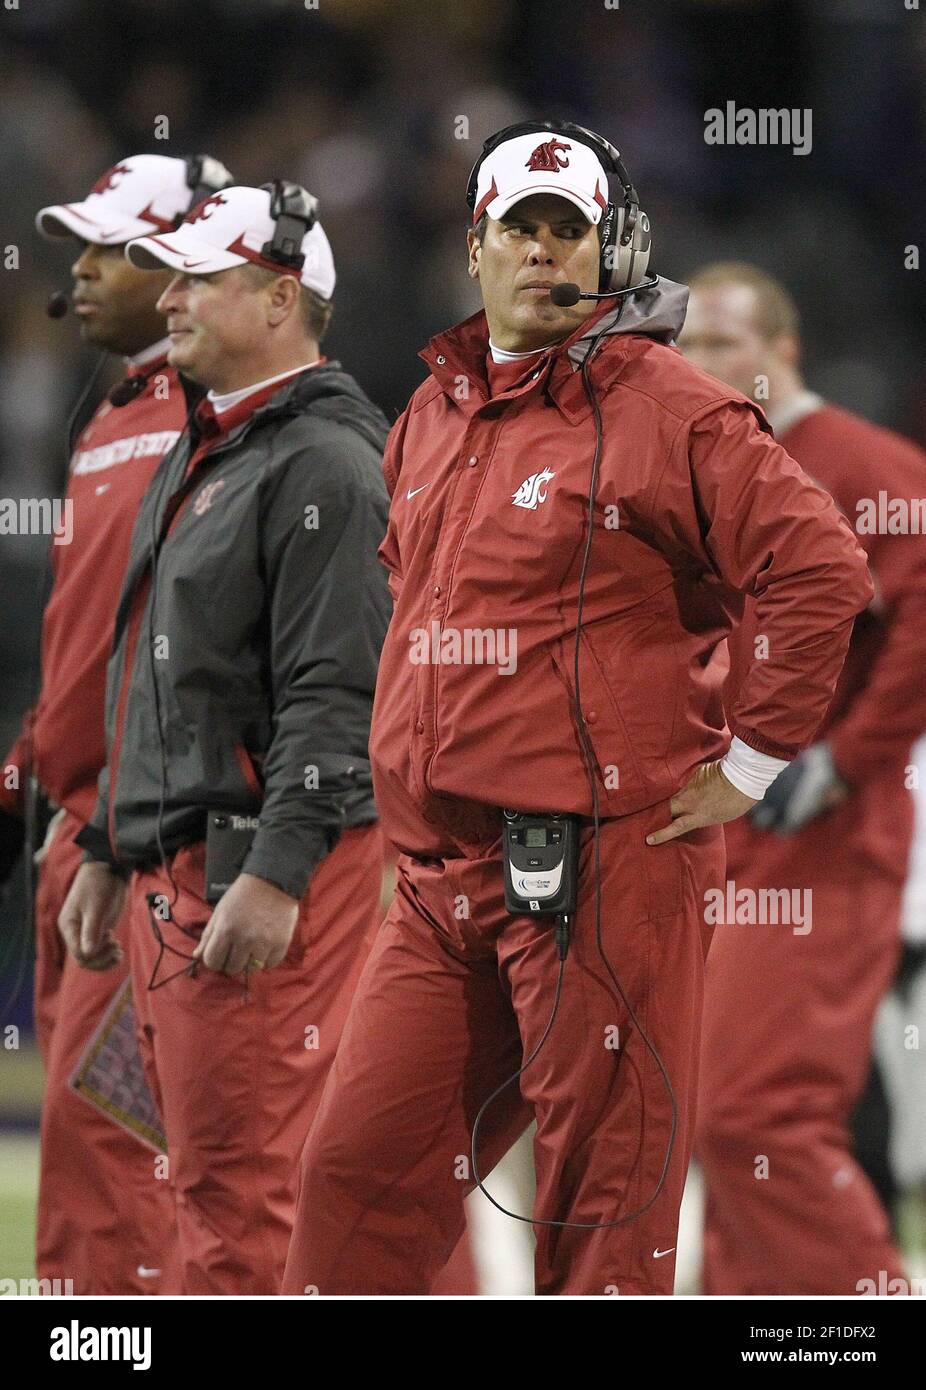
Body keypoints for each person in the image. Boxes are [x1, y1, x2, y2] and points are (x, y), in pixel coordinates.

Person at [281, 122, 873, 1296]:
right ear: (475, 246)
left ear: (612, 249)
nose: (543, 251)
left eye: (569, 229)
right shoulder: (432, 412)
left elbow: (820, 570)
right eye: (521, 227)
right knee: (354, 1179)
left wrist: (751, 762)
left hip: (605, 870)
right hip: (441, 877)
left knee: (601, 1210)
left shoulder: (672, 407)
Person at [57, 182, 391, 1294]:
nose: (170, 300)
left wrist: (280, 873)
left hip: (247, 869)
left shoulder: (325, 461)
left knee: (243, 1197)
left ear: (282, 297)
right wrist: (110, 845)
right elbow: (154, 669)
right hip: (177, 865)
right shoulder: (216, 443)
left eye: (199, 278)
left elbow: (336, 691)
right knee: (205, 1186)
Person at [0, 153, 232, 1294]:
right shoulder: (112, 414)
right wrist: (28, 774)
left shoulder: (224, 423)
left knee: (115, 1159)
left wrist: (115, 825)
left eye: (113, 249)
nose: (83, 272)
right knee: (87, 1149)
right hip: (79, 830)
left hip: (145, 842)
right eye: (82, 249)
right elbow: (84, 635)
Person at [679, 261, 926, 1294]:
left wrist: (842, 760)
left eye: (722, 343)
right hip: (724, 833)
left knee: (755, 1110)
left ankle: (864, 1304)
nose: (700, 365)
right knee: (712, 1113)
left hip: (823, 837)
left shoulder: (864, 464)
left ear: (783, 349)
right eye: (685, 347)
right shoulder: (706, 470)